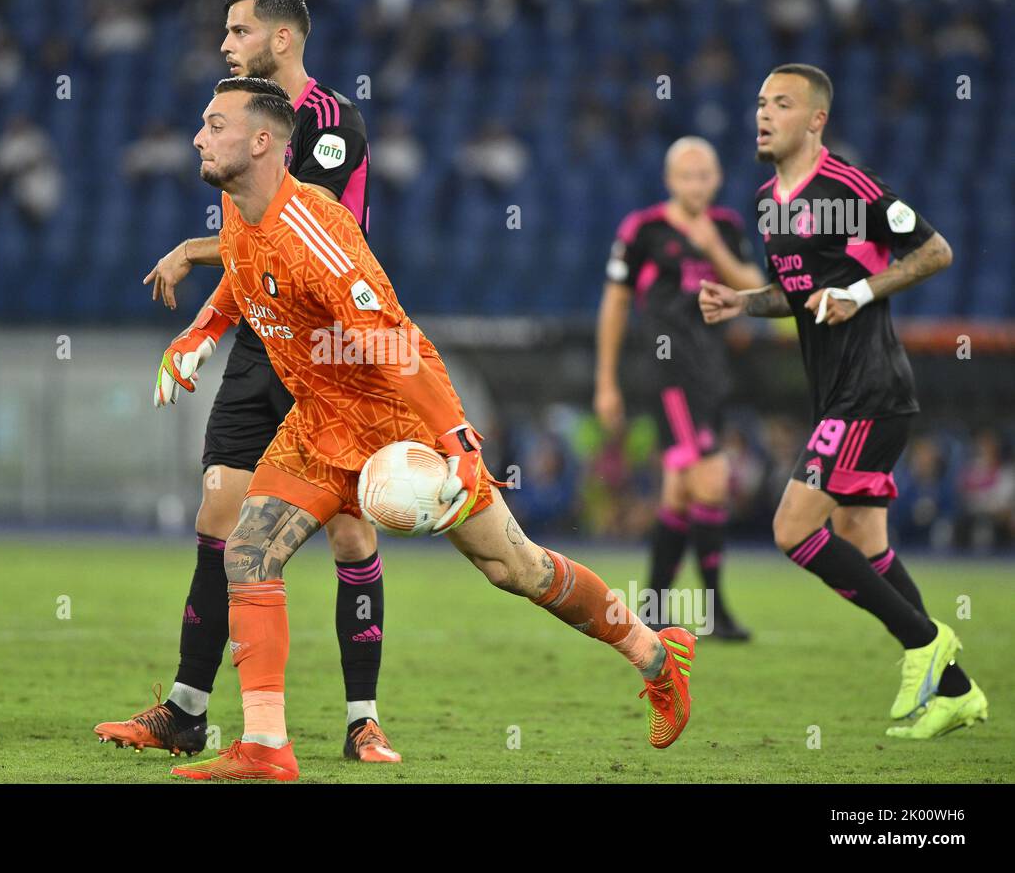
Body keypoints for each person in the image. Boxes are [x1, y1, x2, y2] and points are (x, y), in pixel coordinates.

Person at [156, 78, 695, 781]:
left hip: (395, 419)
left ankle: (657, 658)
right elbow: (240, 264)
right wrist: (199, 331)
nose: (198, 136)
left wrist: (459, 443)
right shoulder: (238, 206)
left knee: (517, 567)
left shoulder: (316, 235)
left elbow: (396, 347)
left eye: (214, 124)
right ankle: (265, 746)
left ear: (261, 142)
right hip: (319, 420)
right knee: (249, 553)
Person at [97, 0, 396, 763]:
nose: (226, 45)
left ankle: (362, 718)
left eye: (238, 32)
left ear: (283, 40)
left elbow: (294, 235)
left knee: (349, 525)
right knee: (219, 514)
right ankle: (187, 712)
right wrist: (206, 326)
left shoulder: (332, 126)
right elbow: (252, 247)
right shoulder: (238, 126)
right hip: (264, 341)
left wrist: (191, 253)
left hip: (330, 352)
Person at [699, 63, 987, 739]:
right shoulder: (772, 201)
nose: (764, 114)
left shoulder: (848, 187)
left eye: (782, 103)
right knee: (862, 539)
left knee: (791, 530)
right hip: (840, 393)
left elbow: (935, 250)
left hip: (869, 390)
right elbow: (798, 293)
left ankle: (924, 641)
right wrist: (744, 301)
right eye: (760, 101)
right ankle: (955, 692)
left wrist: (860, 292)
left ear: (816, 119)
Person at [595, 137, 764, 639]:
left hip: (711, 372)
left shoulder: (727, 229)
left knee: (680, 491)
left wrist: (714, 248)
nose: (695, 184)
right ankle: (715, 613)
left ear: (716, 179)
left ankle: (652, 607)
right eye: (685, 176)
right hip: (668, 374)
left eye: (704, 175)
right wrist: (607, 382)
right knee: (712, 479)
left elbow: (754, 288)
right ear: (670, 181)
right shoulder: (644, 230)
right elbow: (615, 304)